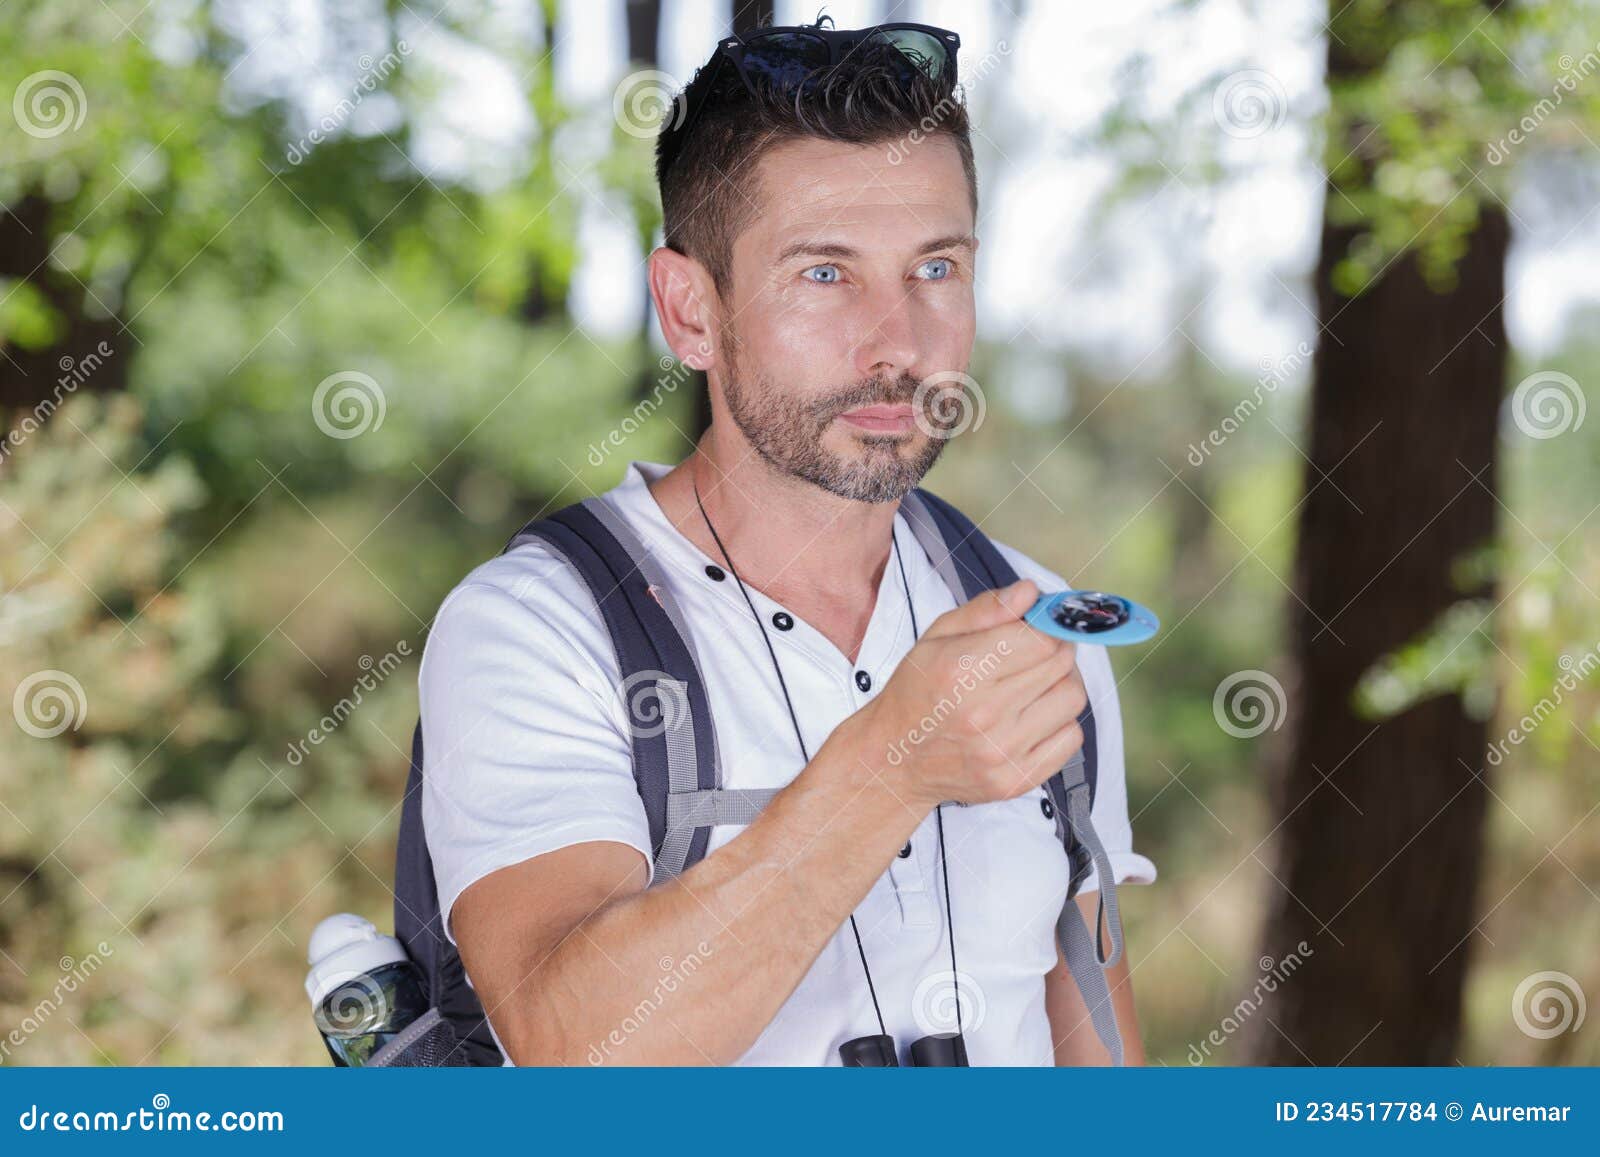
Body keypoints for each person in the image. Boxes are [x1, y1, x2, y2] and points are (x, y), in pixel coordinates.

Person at [418, 19, 1157, 1066]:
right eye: (824, 273)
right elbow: (577, 1052)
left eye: (935, 268)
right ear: (689, 310)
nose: (898, 340)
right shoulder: (535, 628)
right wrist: (891, 768)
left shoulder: (1037, 616)